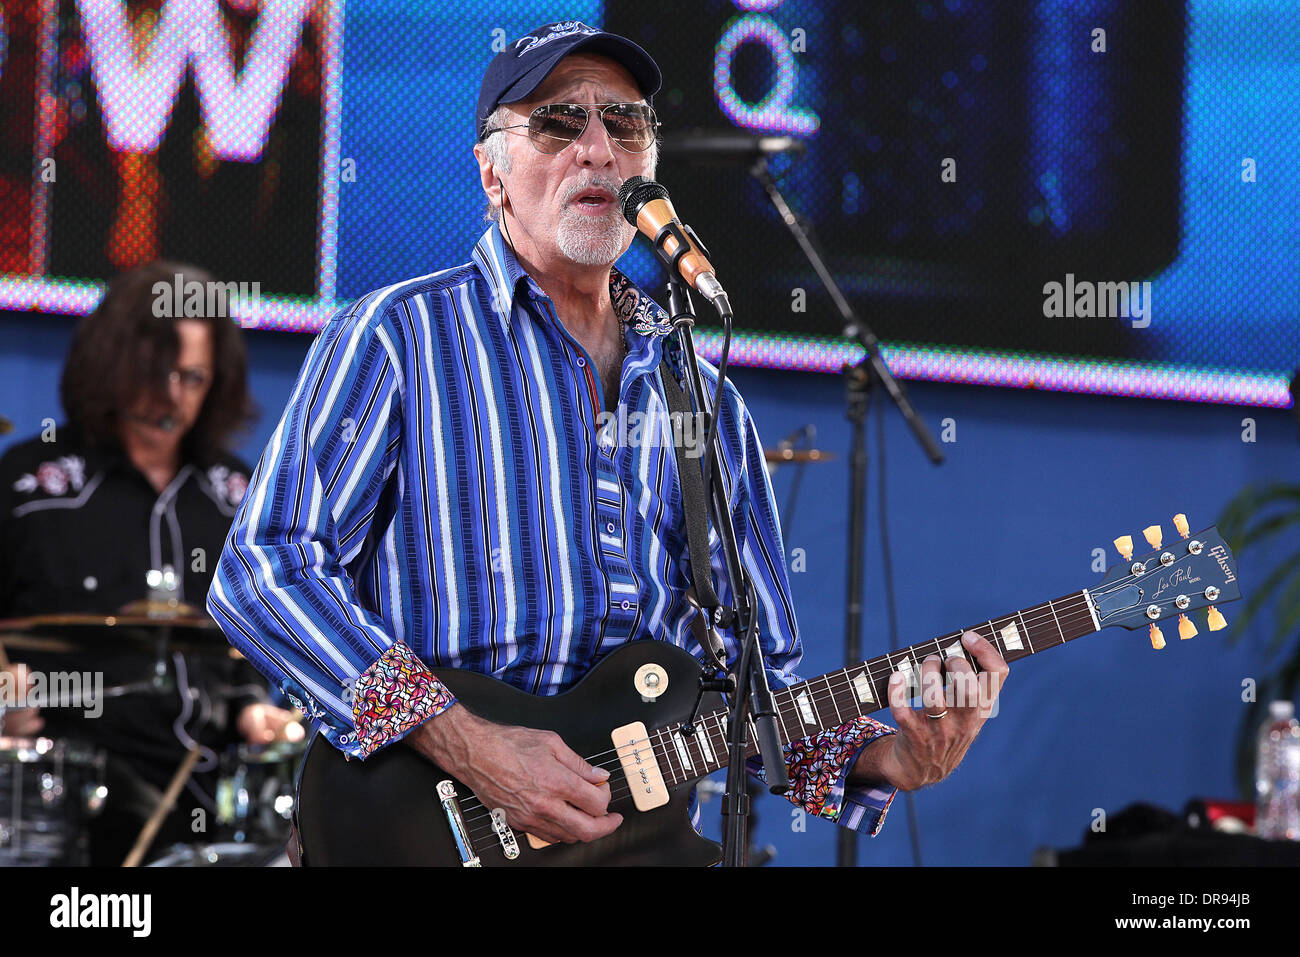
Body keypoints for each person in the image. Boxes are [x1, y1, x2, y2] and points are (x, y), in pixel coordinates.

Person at [207, 21, 1008, 854]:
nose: (598, 149)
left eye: (625, 123)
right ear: (492, 172)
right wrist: (467, 740)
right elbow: (263, 570)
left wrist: (891, 756)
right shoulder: (397, 338)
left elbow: (753, 694)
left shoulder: (706, 401)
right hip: (418, 826)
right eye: (559, 122)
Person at [0, 261, 302, 865]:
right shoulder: (31, 483)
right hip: (58, 797)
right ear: (109, 363)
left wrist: (255, 711)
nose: (170, 399)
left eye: (191, 379)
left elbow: (243, 650)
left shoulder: (242, 495)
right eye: (154, 375)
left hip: (209, 803)